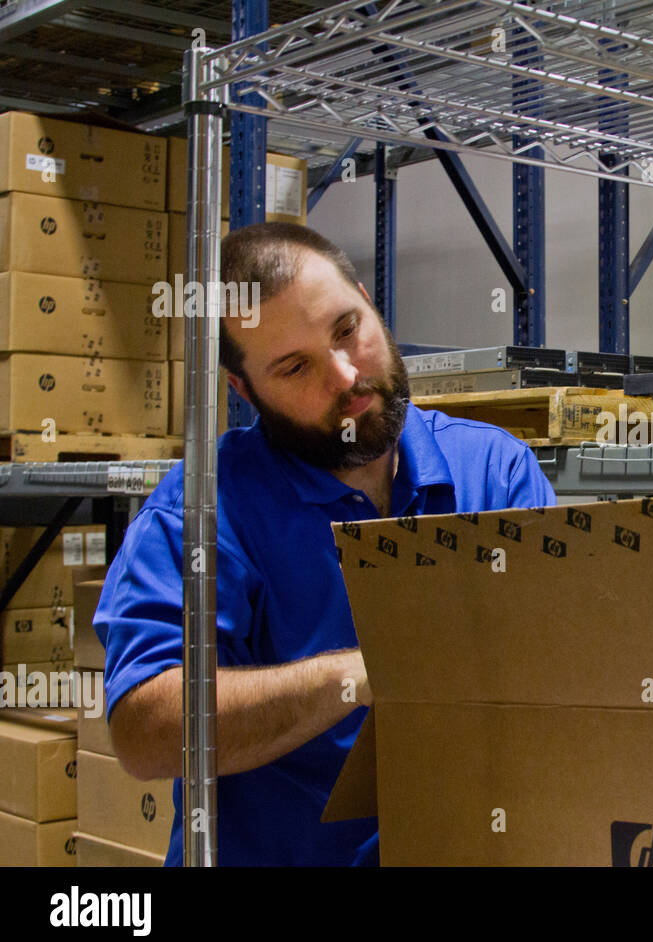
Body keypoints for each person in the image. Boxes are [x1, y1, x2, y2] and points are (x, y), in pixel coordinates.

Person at [93, 222, 556, 866]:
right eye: (295, 366)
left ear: (368, 299)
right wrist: (359, 677)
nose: (346, 376)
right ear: (243, 390)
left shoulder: (494, 471)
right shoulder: (203, 511)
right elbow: (146, 731)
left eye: (348, 329)